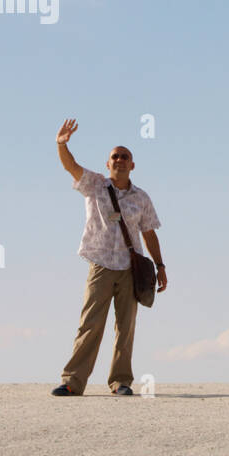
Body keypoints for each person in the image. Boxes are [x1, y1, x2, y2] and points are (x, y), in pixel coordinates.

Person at [51, 119, 167, 397]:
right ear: (108, 163)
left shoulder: (141, 198)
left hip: (129, 268)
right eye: (115, 156)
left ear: (132, 165)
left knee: (125, 327)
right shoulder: (94, 185)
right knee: (90, 324)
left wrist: (160, 266)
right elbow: (70, 166)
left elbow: (149, 233)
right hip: (100, 265)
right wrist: (61, 144)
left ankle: (120, 382)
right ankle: (73, 382)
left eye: (125, 157)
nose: (120, 160)